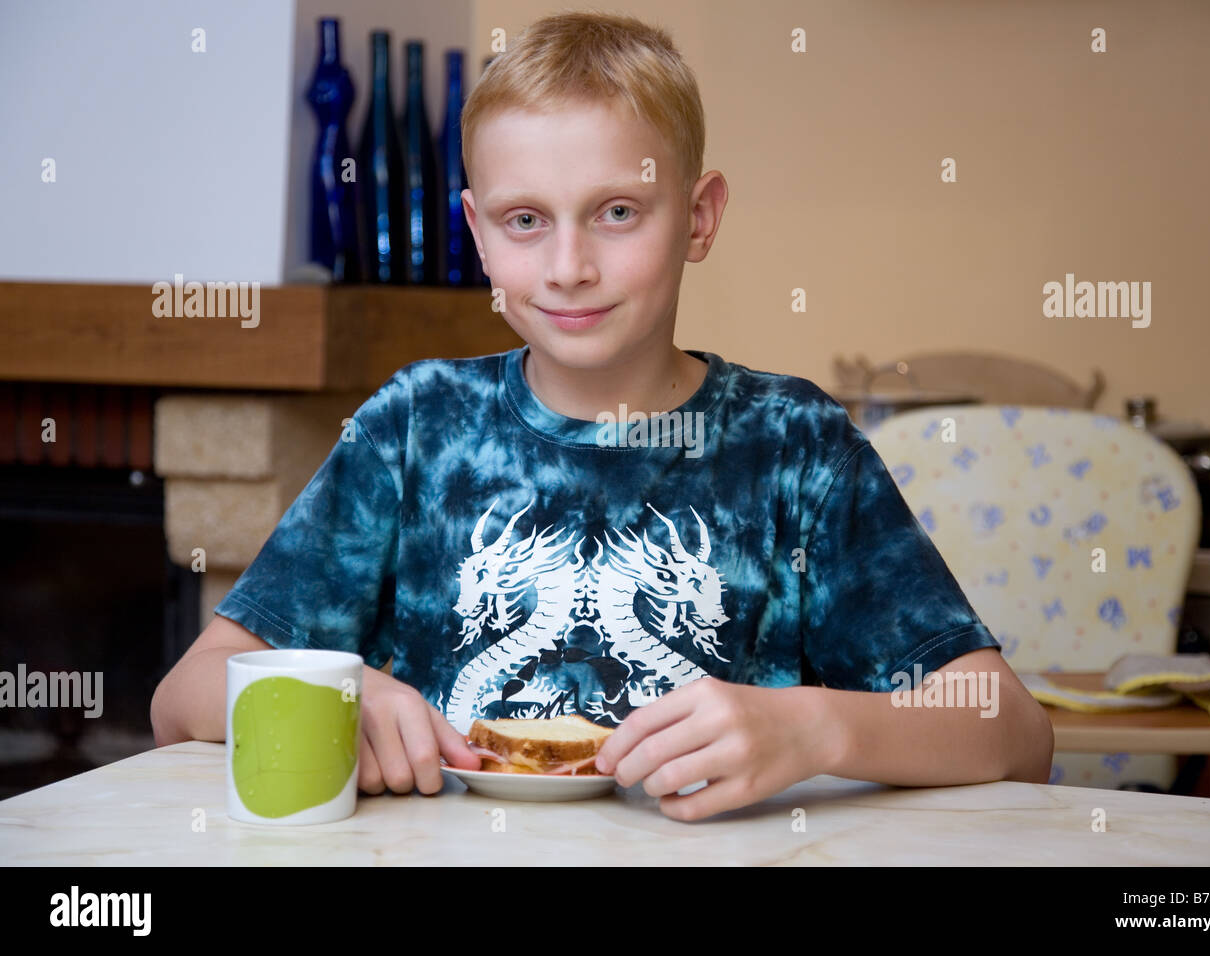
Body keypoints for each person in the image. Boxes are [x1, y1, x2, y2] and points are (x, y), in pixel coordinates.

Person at [151, 11, 1053, 822]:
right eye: (525, 220)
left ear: (698, 219)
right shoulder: (413, 426)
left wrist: (819, 728)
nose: (568, 266)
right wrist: (338, 694)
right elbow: (180, 697)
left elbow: (1010, 731)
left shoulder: (796, 445)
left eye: (617, 212)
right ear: (476, 234)